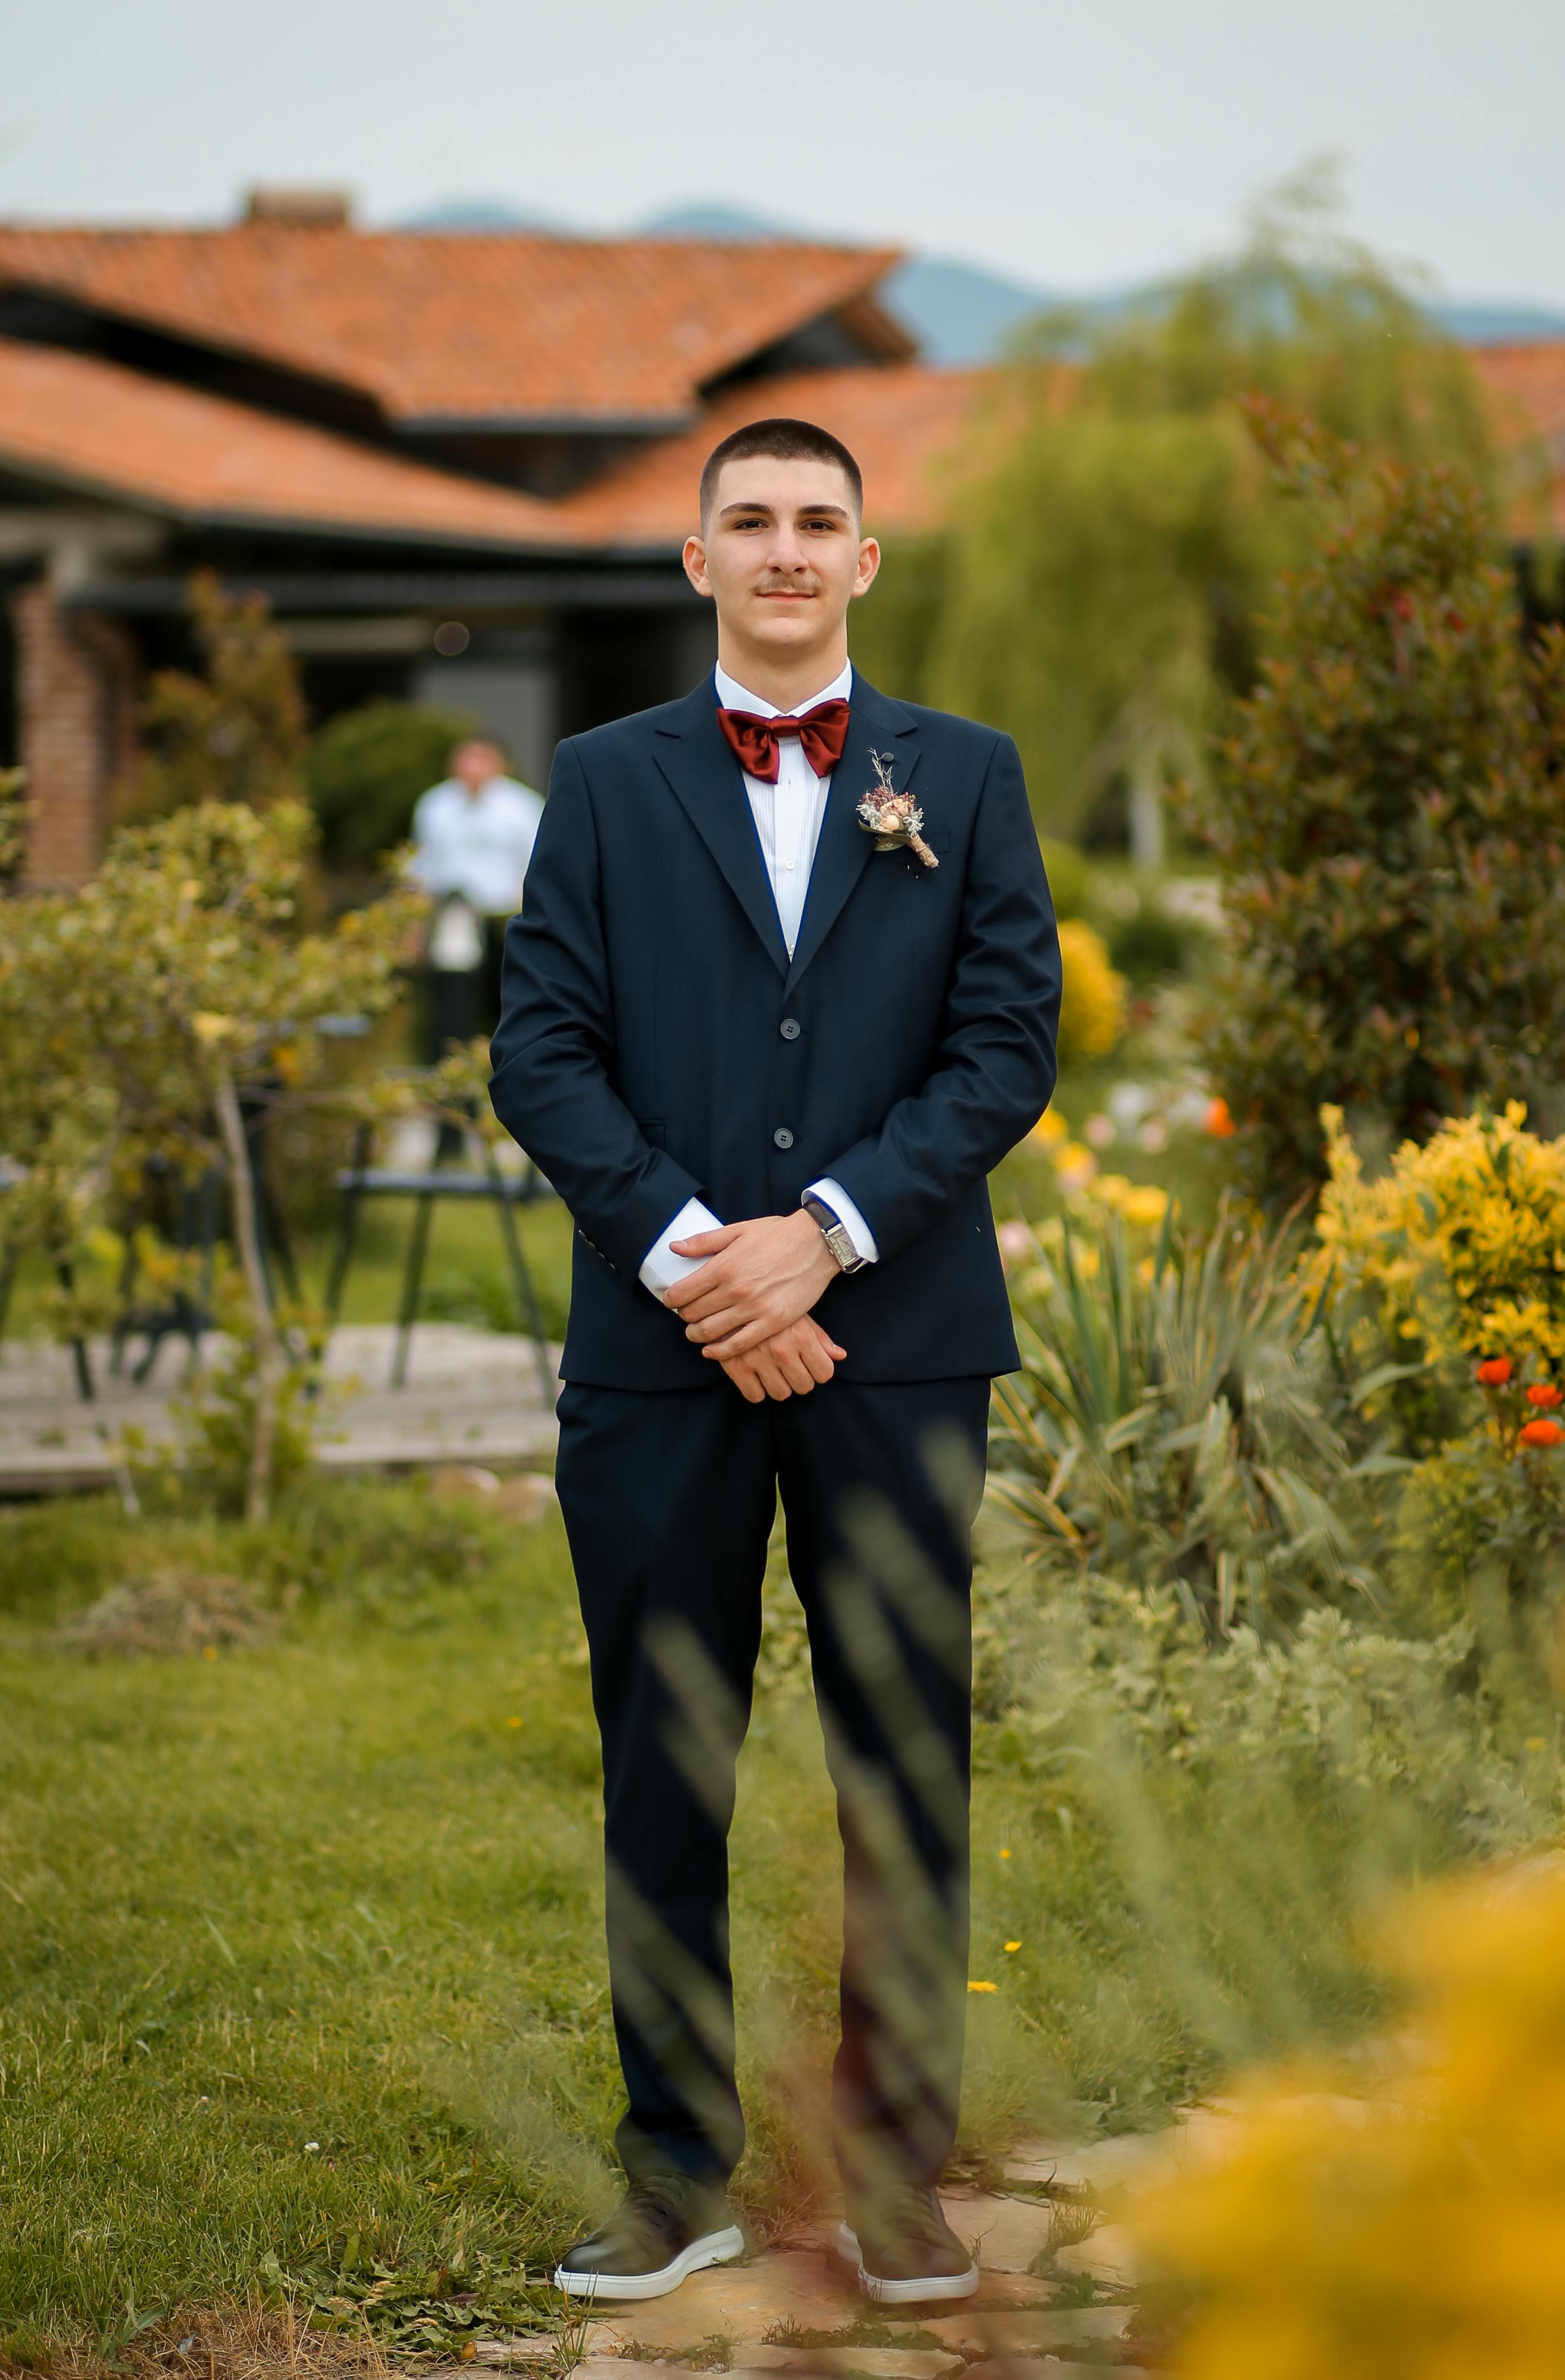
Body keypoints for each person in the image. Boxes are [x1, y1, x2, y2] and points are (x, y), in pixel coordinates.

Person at [491, 419, 1061, 2308]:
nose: (785, 548)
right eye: (750, 519)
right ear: (698, 558)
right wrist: (696, 1260)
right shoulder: (600, 778)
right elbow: (540, 1047)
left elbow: (1003, 1043)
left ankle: (895, 2174)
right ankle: (674, 2174)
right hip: (657, 1358)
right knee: (663, 1758)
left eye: (819, 520)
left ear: (864, 559)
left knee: (901, 1758)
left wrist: (821, 1232)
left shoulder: (961, 775)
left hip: (896, 1348)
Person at [411, 736, 543, 1056]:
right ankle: (454, 1067)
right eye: (466, 758)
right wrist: (414, 925)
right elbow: (421, 867)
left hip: (509, 915)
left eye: (482, 758)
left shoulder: (523, 806)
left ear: (502, 764)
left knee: (509, 995)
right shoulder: (436, 804)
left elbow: (537, 863)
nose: (473, 767)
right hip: (456, 912)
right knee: (455, 992)